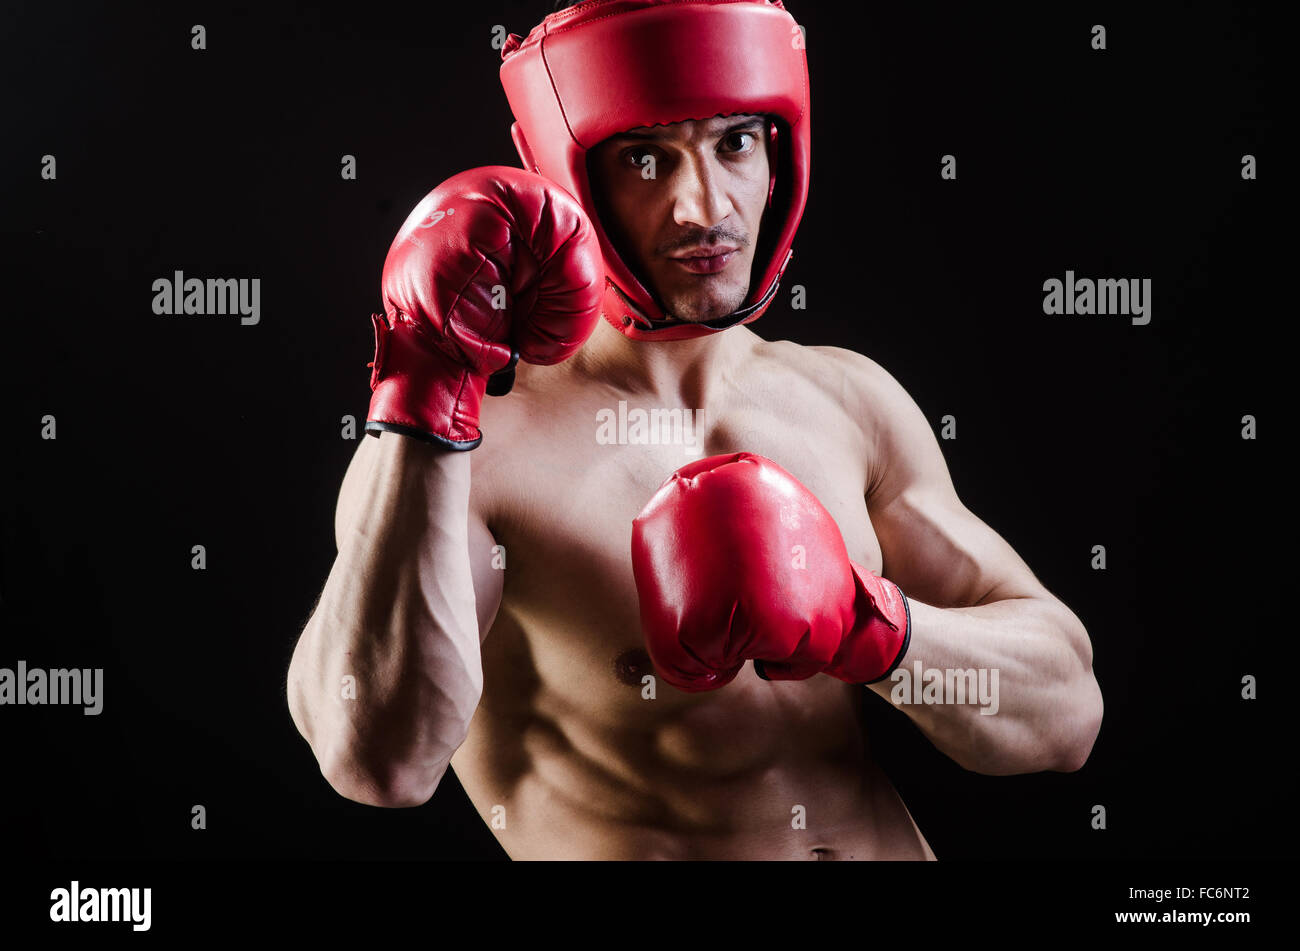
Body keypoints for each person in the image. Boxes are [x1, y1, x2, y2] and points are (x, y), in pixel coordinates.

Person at [287, 0, 1103, 860]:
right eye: (645, 157)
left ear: (781, 146)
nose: (701, 208)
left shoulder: (847, 400)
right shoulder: (476, 452)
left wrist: (871, 625)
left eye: (734, 142)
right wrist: (425, 382)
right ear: (567, 177)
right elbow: (374, 759)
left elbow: (1068, 716)